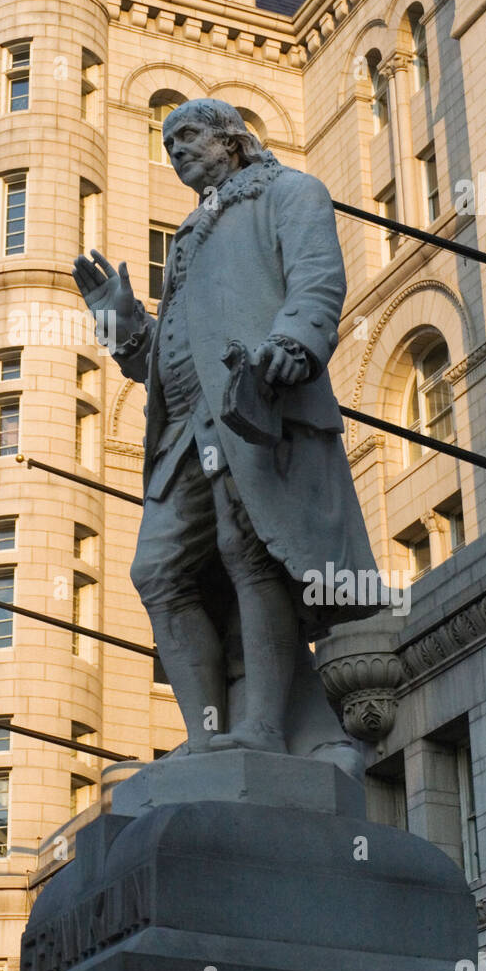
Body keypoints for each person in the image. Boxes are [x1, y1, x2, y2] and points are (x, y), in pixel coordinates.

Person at [72, 99, 380, 765]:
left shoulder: (290, 193)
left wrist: (293, 342)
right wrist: (115, 320)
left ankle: (264, 730)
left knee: (250, 549)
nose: (175, 151)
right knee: (157, 570)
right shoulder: (190, 233)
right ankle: (209, 735)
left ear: (234, 140)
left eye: (188, 136)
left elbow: (318, 282)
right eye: (167, 142)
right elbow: (156, 353)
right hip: (182, 427)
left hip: (253, 407)